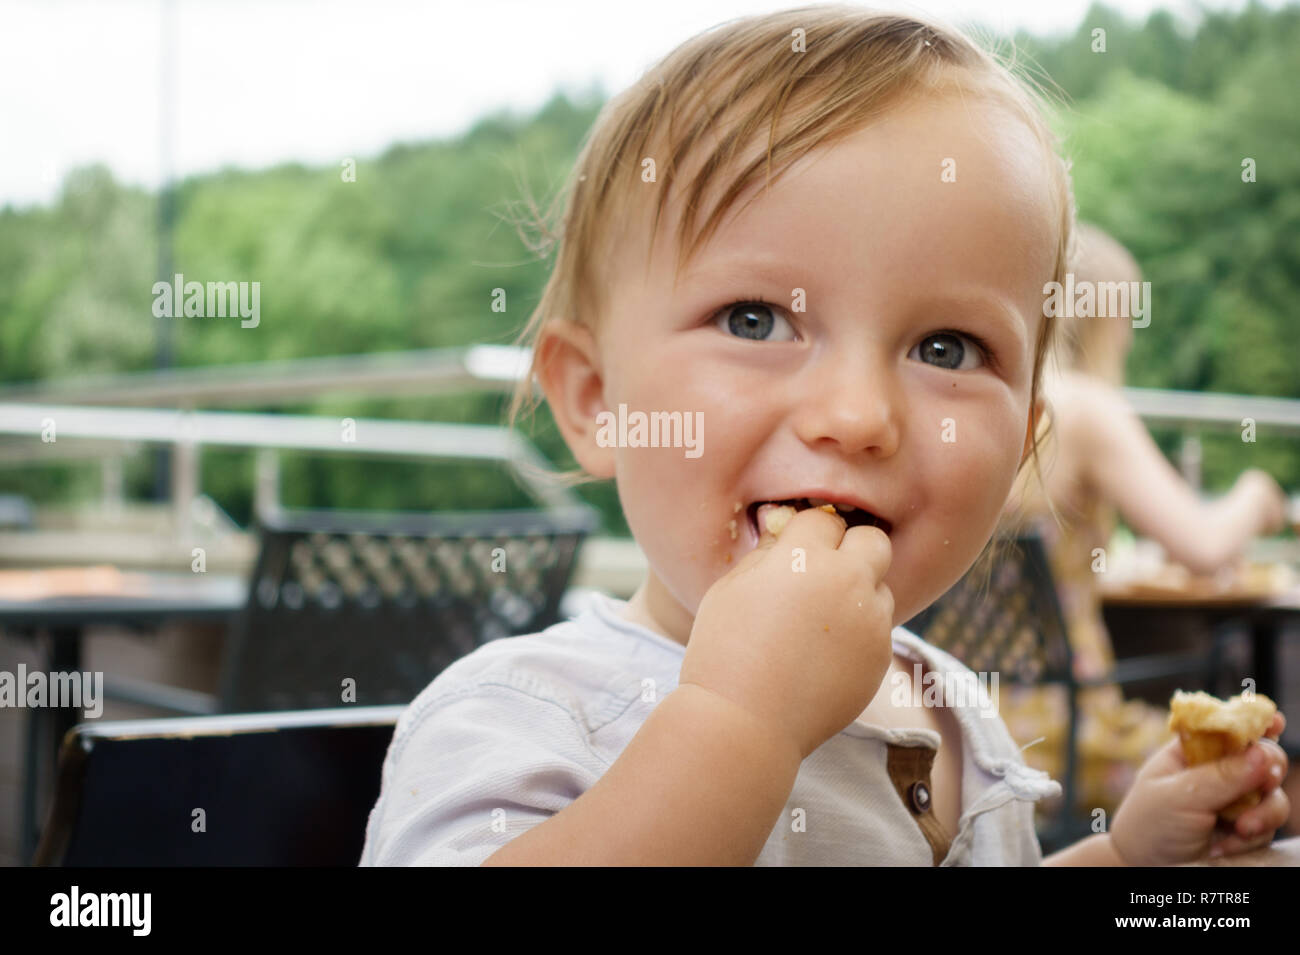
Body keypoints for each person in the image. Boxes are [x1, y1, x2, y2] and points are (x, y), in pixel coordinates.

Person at [360, 8, 1288, 866]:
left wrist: (1127, 861)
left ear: (1025, 439)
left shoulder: (955, 707)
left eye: (946, 346)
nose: (856, 416)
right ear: (598, 397)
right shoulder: (523, 718)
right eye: (756, 320)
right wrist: (740, 722)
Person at [998, 223, 1289, 826]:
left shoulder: (985, 399)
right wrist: (1257, 494)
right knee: (1262, 764)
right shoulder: (1085, 409)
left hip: (955, 726)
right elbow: (1203, 547)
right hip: (1070, 736)